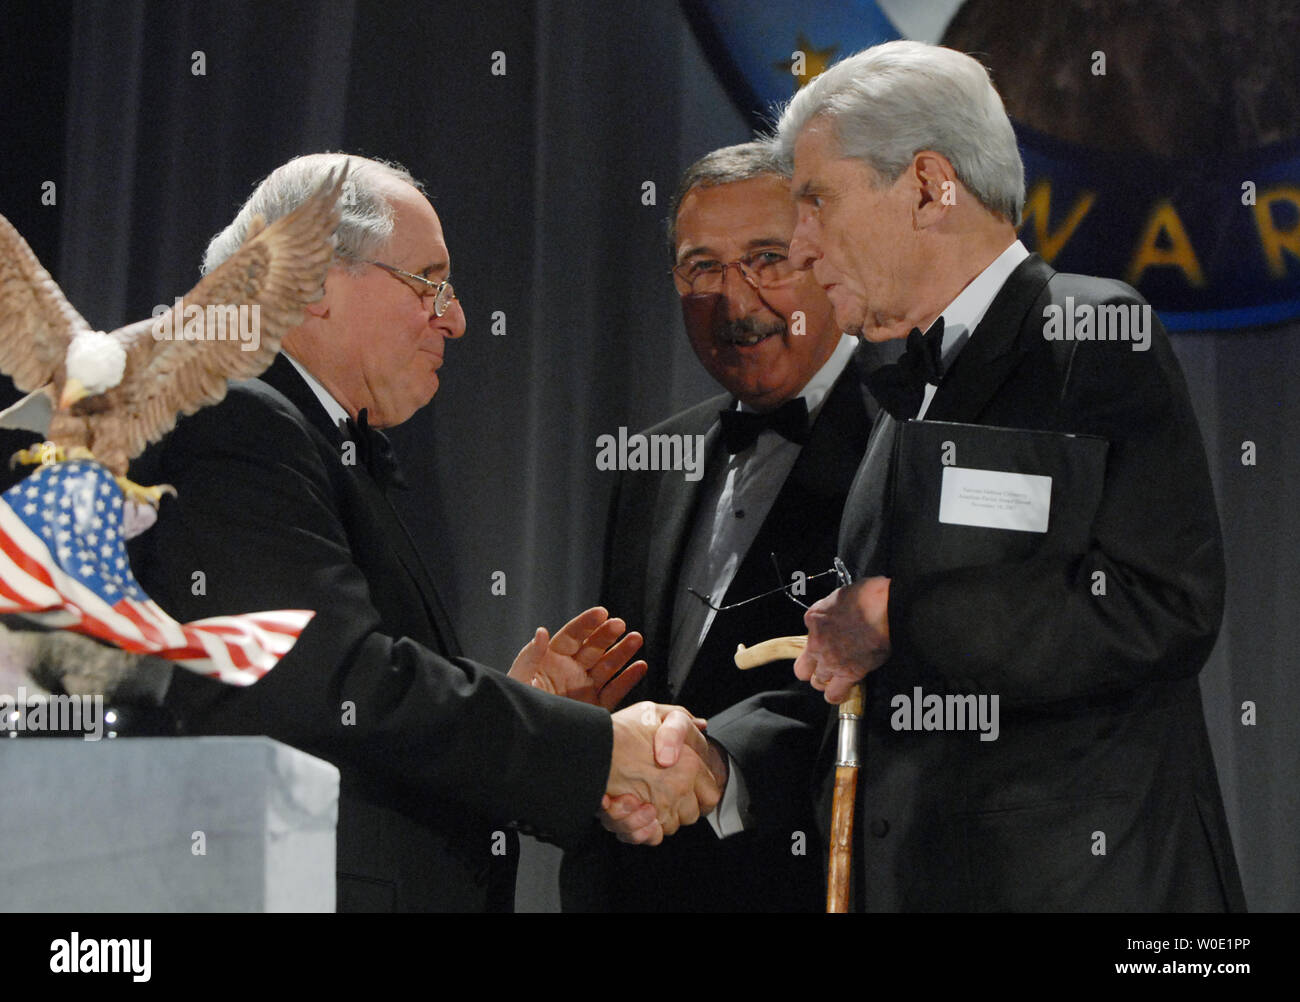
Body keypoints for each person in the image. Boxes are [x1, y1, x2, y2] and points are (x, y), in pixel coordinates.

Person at [645, 41, 1246, 911]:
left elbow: (1163, 604)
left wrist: (902, 614)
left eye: (815, 201)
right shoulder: (899, 401)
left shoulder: (1089, 335)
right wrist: (718, 754)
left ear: (930, 186)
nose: (802, 247)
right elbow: (882, 688)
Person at [127, 153, 721, 912]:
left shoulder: (301, 430)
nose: (457, 317)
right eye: (428, 284)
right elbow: (326, 683)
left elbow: (343, 703)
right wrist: (597, 749)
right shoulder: (235, 412)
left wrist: (518, 701)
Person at [563, 141, 883, 912]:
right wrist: (572, 719)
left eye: (767, 259)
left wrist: (721, 768)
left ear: (826, 257)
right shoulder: (652, 465)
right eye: (701, 267)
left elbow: (923, 698)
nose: (734, 302)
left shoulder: (910, 437)